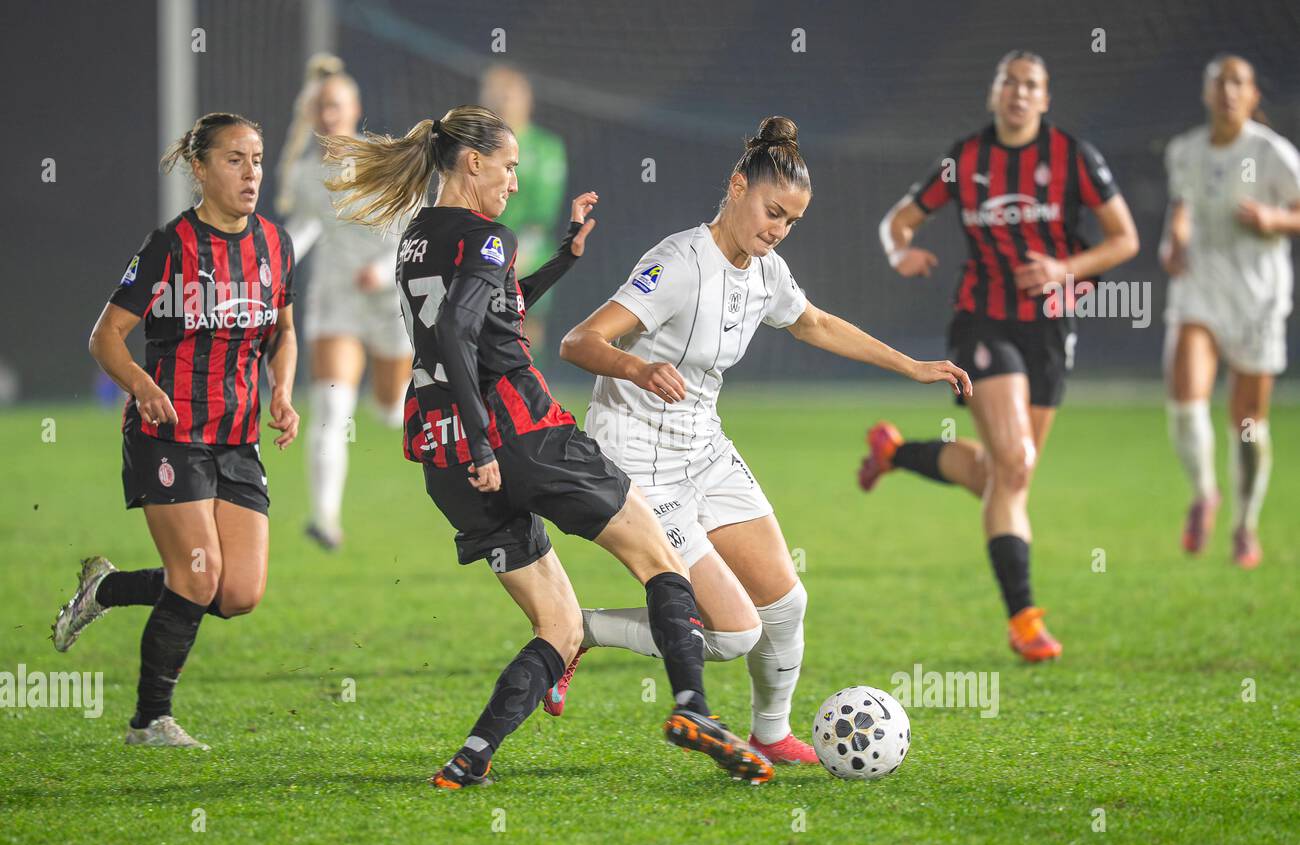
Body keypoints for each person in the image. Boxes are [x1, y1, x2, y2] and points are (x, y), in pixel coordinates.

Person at [320, 105, 774, 788]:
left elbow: (488, 309)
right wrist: (484, 444)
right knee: (660, 559)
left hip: (444, 457)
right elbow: (459, 334)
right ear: (472, 163)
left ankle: (471, 757)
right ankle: (693, 708)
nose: (512, 183)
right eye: (508, 168)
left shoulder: (417, 236)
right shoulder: (489, 236)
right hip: (519, 438)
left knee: (559, 626)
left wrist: (564, 257)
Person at [553, 116, 971, 766]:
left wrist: (913, 368)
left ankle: (771, 733)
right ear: (737, 184)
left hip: (703, 450)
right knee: (735, 633)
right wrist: (638, 367)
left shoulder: (766, 271)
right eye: (773, 211)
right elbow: (579, 341)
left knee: (785, 604)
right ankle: (577, 630)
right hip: (637, 461)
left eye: (791, 222)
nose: (778, 230)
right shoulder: (678, 264)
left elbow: (816, 324)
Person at [863, 51, 1139, 662]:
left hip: (1050, 328)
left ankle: (896, 451)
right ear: (994, 94)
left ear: (1046, 99)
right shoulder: (965, 160)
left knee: (1004, 476)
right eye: (1008, 83)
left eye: (1031, 85)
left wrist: (1066, 267)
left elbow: (1125, 239)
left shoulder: (1074, 157)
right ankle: (1024, 620)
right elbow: (897, 223)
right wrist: (898, 253)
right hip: (982, 322)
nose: (1019, 94)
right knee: (1013, 466)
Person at [51, 113, 300, 748]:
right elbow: (104, 337)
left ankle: (106, 588)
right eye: (235, 160)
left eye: (258, 159)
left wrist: (284, 393)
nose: (252, 173)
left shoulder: (276, 244)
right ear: (201, 168)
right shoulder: (170, 246)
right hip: (169, 433)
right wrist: (142, 384)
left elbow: (285, 332)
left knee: (238, 593)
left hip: (237, 437)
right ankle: (149, 721)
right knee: (195, 575)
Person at [1161, 54, 1300, 568]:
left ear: (1253, 95)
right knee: (1184, 394)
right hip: (1200, 287)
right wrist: (1173, 241)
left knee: (1246, 422)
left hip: (1258, 297)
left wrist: (1274, 218)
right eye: (1218, 82)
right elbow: (1182, 207)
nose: (1227, 92)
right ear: (1205, 93)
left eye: (1238, 82)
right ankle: (1204, 494)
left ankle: (1245, 524)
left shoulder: (1272, 154)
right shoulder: (1185, 151)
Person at [278, 56, 413, 550]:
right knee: (331, 408)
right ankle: (325, 519)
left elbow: (410, 232)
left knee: (390, 411)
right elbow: (314, 225)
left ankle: (396, 407)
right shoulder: (307, 173)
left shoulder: (386, 161)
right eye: (319, 106)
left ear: (355, 108)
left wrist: (379, 272)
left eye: (335, 105)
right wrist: (277, 254)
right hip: (335, 299)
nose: (327, 114)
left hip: (385, 301)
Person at [480, 66, 568, 353]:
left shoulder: (545, 147)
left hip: (527, 252)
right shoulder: (473, 145)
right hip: (479, 246)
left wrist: (521, 250)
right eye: (495, 95)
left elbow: (544, 211)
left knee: (523, 330)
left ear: (526, 99)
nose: (502, 102)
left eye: (509, 95)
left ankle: (525, 392)